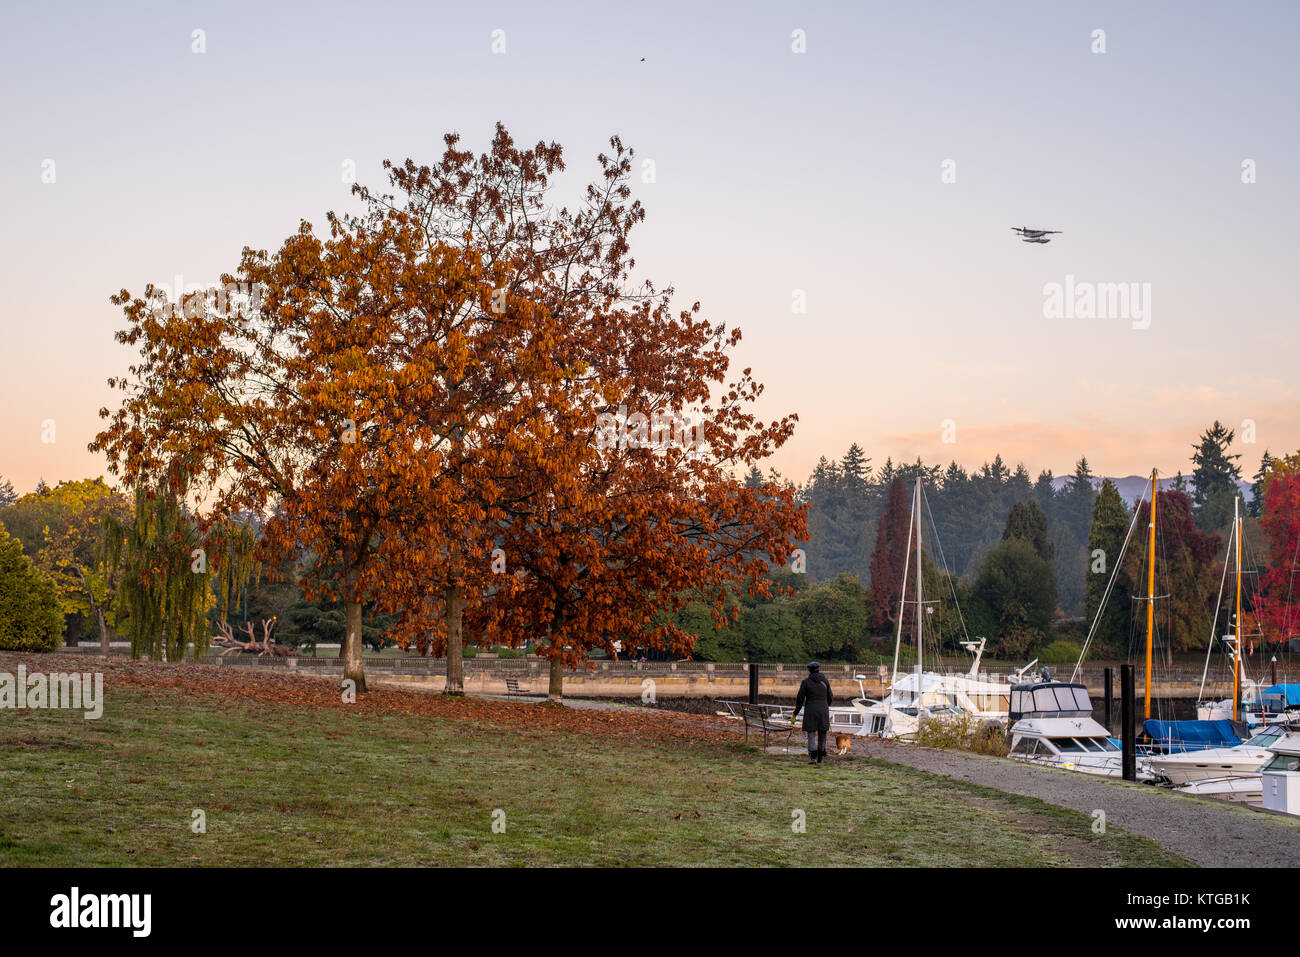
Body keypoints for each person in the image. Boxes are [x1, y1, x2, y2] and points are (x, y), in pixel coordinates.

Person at [792, 661, 833, 764]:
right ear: (819, 669)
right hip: (823, 709)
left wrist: (795, 712)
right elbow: (830, 697)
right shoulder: (825, 680)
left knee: (811, 733)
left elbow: (800, 699)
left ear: (809, 670)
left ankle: (813, 757)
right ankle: (821, 755)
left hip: (810, 710)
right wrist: (825, 705)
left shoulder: (805, 682)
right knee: (822, 732)